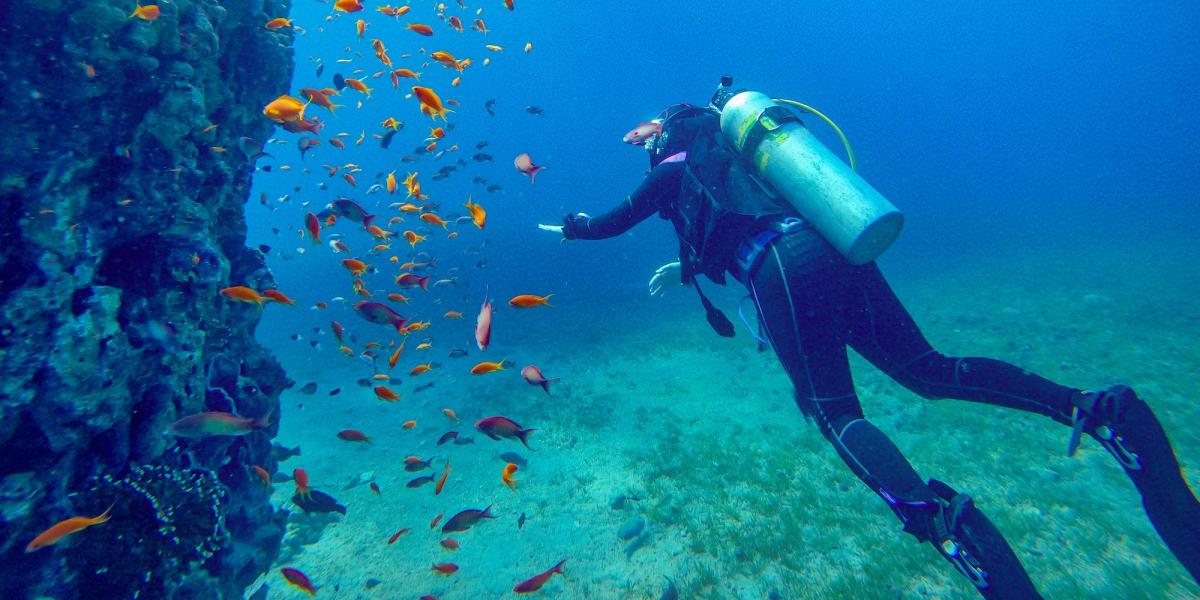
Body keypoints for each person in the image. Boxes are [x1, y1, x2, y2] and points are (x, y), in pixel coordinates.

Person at [538, 84, 1200, 598]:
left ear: (669, 138)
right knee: (928, 369)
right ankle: (1091, 409)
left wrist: (571, 227)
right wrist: (686, 266)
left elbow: (611, 222)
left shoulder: (675, 167)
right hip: (833, 249)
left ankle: (942, 522)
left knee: (835, 412)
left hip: (783, 269)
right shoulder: (749, 158)